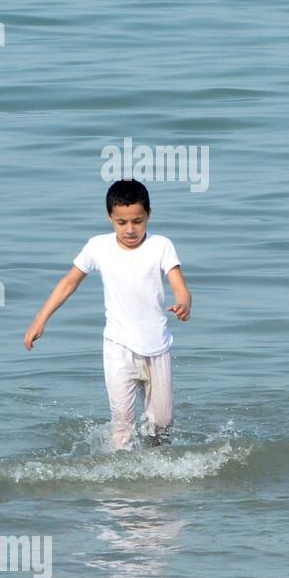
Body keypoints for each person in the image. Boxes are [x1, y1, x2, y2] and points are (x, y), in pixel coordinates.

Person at [24, 179, 192, 450]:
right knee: (123, 423)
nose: (130, 229)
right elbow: (69, 283)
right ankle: (119, 485)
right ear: (110, 217)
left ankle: (157, 479)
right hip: (117, 347)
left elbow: (179, 286)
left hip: (157, 347)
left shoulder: (161, 246)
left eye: (137, 221)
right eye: (121, 222)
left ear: (148, 214)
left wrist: (184, 304)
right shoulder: (97, 247)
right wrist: (40, 319)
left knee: (161, 425)